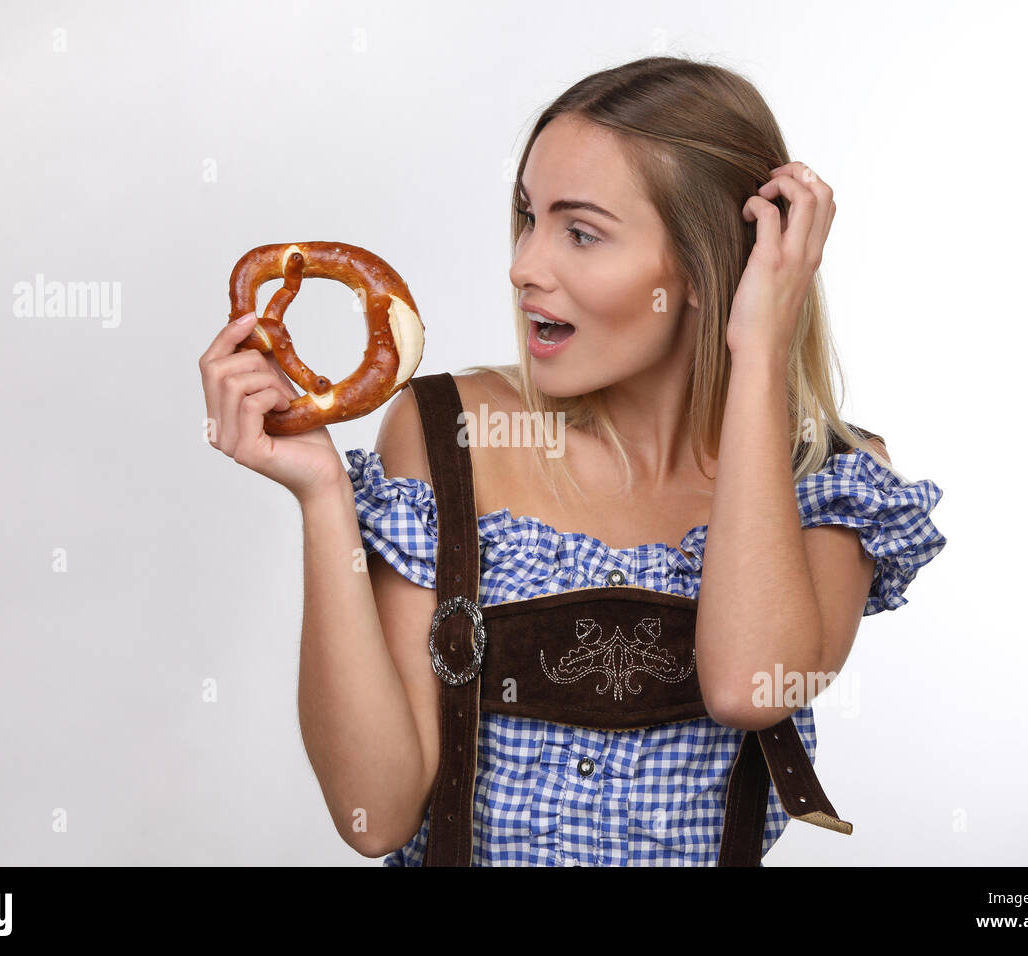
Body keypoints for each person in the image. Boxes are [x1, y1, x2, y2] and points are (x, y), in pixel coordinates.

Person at [198, 54, 947, 866]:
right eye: (528, 216)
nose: (524, 266)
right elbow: (372, 815)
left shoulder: (832, 481)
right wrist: (322, 498)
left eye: (580, 232)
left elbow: (743, 688)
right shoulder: (448, 432)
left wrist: (758, 351)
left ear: (701, 268)